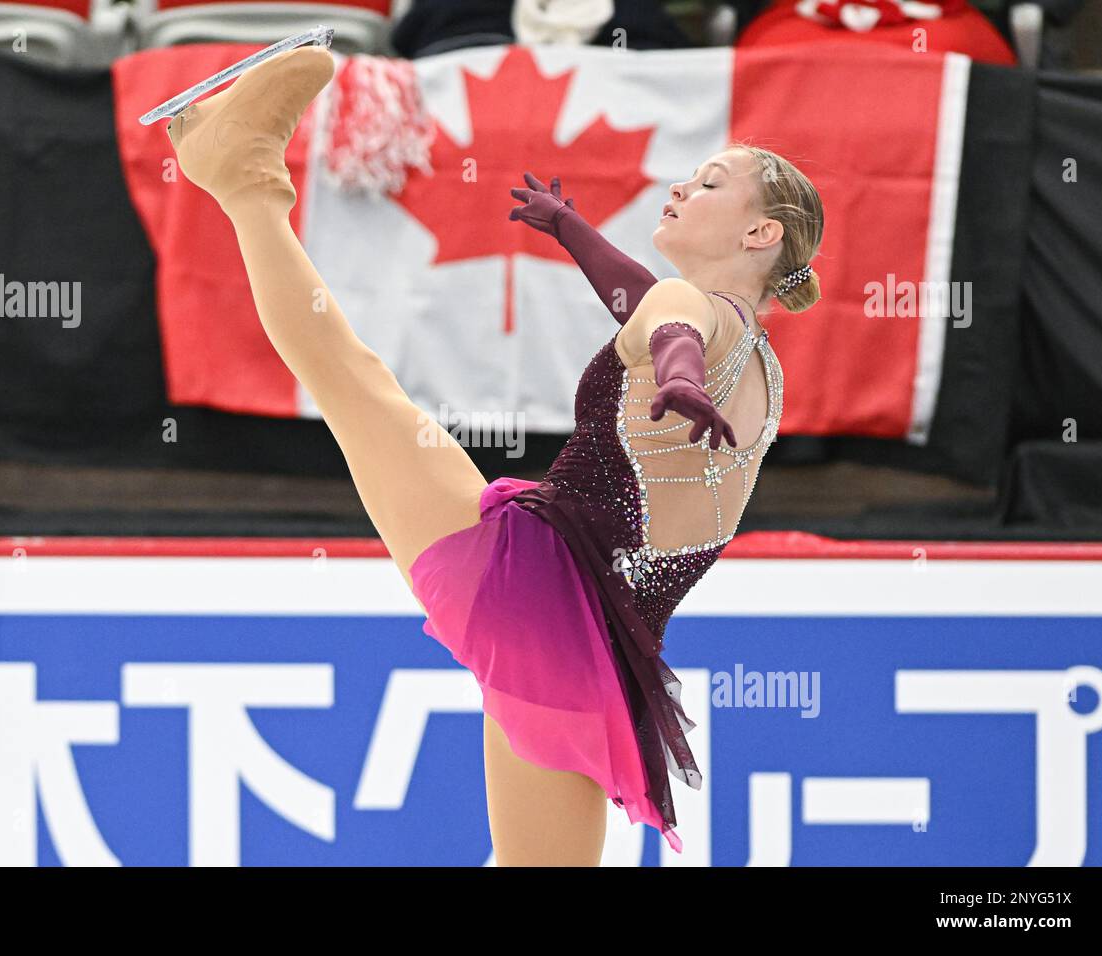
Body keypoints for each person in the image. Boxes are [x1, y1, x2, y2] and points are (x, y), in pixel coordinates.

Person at [162, 42, 824, 865]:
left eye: (712, 182)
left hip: (535, 576)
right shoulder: (761, 359)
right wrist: (578, 233)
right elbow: (654, 314)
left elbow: (671, 326)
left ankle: (244, 180)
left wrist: (680, 374)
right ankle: (240, 171)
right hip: (596, 656)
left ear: (761, 232)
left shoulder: (696, 317)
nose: (684, 186)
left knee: (353, 380)